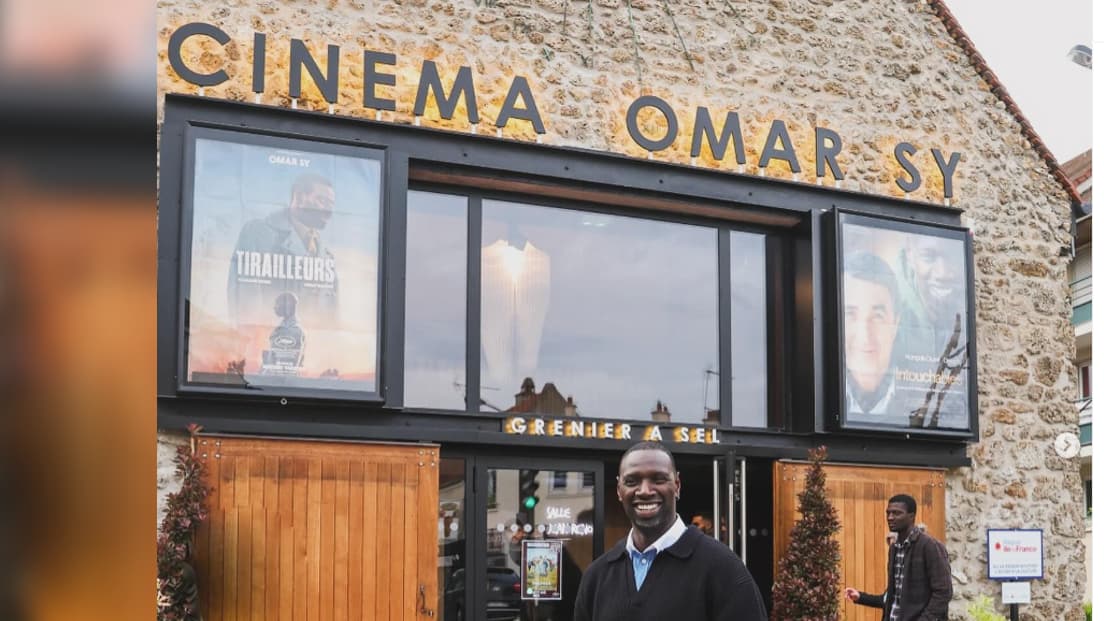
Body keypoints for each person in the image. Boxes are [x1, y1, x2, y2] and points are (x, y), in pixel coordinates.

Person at [574, 442, 766, 621]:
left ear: (677, 485)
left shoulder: (724, 569)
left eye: (658, 479)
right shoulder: (596, 576)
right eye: (632, 481)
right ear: (619, 490)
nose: (645, 491)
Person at [227, 172, 339, 329]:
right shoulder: (257, 234)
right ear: (299, 197)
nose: (329, 211)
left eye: (331, 205)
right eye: (322, 201)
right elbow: (244, 304)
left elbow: (331, 319)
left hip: (315, 350)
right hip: (265, 345)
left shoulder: (327, 257)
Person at [845, 494, 952, 621]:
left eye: (896, 513)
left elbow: (943, 592)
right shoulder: (895, 548)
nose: (890, 518)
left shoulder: (930, 546)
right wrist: (860, 597)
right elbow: (893, 597)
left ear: (911, 516)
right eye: (888, 513)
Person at [843, 251, 905, 423]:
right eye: (850, 315)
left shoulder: (925, 398)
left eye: (878, 316)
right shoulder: (818, 394)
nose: (865, 334)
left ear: (896, 323)